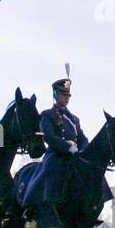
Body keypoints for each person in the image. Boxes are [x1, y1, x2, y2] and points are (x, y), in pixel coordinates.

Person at [23, 78, 87, 220]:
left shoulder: (74, 119)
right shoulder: (47, 114)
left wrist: (84, 150)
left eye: (67, 95)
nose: (66, 98)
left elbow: (82, 138)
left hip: (75, 154)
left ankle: (93, 205)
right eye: (63, 94)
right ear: (55, 95)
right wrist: (67, 147)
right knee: (48, 170)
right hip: (56, 153)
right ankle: (30, 205)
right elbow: (49, 137)